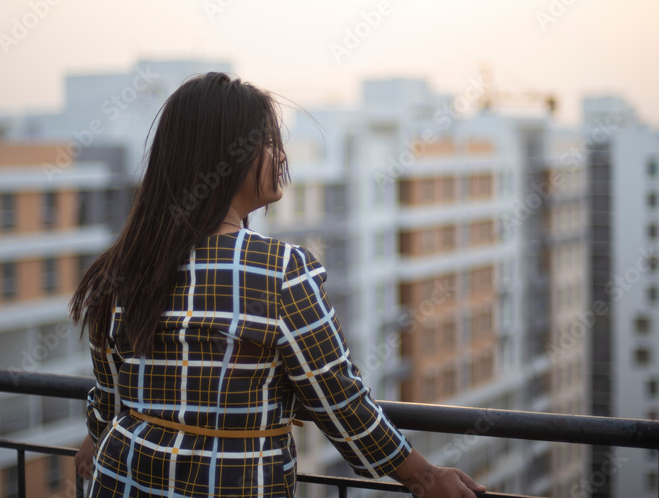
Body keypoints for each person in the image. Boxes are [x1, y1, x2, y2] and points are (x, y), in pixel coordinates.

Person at [70, 72, 485, 497]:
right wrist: (424, 477)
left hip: (121, 479)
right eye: (268, 142)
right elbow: (339, 400)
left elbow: (111, 392)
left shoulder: (124, 265)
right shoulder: (280, 272)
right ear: (226, 157)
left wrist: (96, 435)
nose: (281, 155)